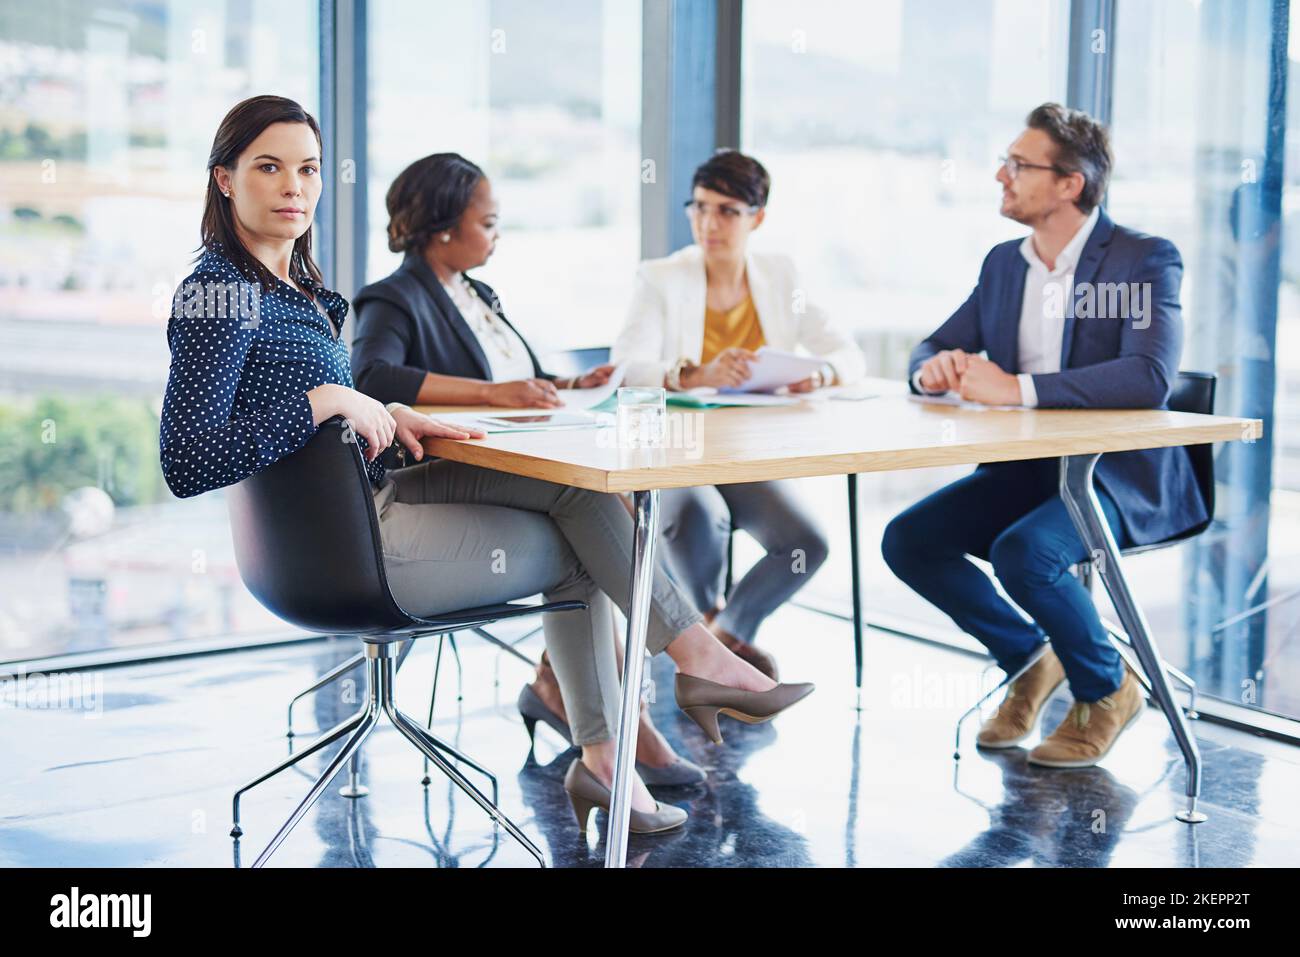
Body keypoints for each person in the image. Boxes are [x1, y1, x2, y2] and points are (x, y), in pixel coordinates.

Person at [159, 95, 815, 835]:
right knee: (586, 548)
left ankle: (667, 690)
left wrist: (383, 410)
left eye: (308, 169)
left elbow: (310, 414)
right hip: (346, 547)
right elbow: (188, 458)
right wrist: (325, 399)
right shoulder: (219, 292)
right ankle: (636, 726)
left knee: (580, 494)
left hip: (371, 490)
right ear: (224, 179)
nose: (294, 187)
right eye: (268, 168)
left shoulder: (292, 287)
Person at [350, 152, 699, 786]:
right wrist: (492, 395)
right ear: (443, 228)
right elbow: (371, 377)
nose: (497, 234)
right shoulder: (393, 298)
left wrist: (566, 384)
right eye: (487, 222)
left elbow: (515, 381)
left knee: (602, 513)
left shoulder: (479, 295)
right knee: (599, 520)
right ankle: (637, 701)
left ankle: (589, 703)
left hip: (515, 467)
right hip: (440, 481)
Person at [881, 103, 1204, 768]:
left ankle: (1107, 688)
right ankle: (1029, 656)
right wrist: (930, 369)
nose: (1001, 175)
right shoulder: (1006, 263)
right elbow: (934, 343)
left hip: (1117, 476)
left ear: (1069, 184)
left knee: (1024, 553)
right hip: (1027, 472)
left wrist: (1016, 389)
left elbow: (1149, 375)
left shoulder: (1143, 259)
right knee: (909, 540)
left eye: (1018, 164)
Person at [610, 149, 866, 680]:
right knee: (697, 515)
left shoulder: (779, 275)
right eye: (700, 207)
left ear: (757, 218)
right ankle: (714, 641)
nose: (709, 223)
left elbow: (848, 354)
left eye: (727, 211)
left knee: (806, 544)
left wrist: (819, 374)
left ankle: (722, 638)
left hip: (748, 453)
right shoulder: (661, 278)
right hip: (677, 449)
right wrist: (696, 374)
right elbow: (626, 368)